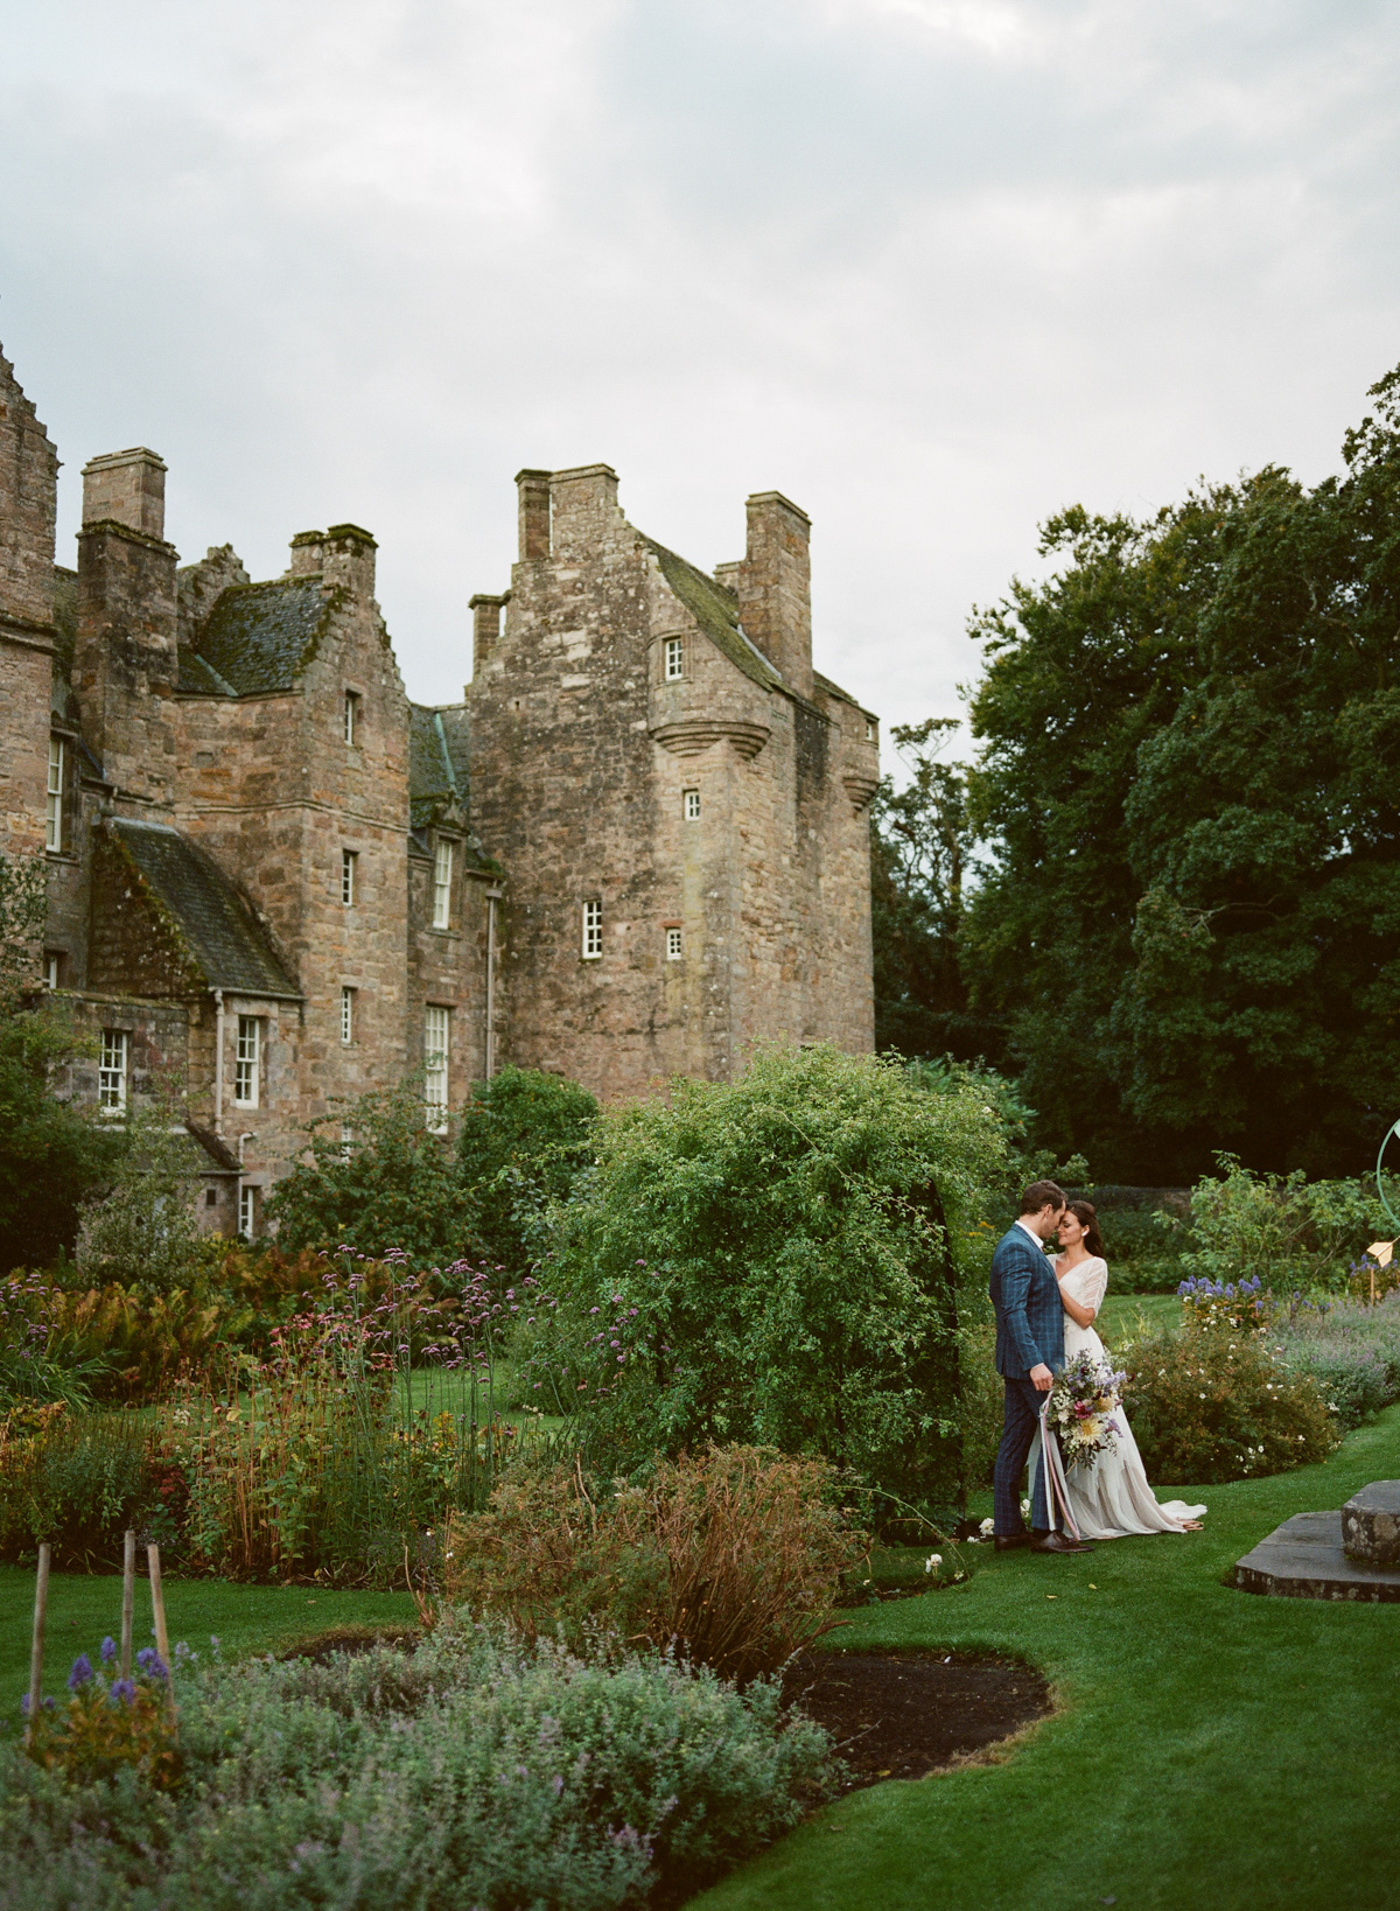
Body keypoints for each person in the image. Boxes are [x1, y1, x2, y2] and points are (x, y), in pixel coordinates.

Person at [1051, 1199, 1206, 1538]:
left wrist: (1056, 1288)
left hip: (1082, 1352)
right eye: (1059, 1224)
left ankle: (1107, 1507)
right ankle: (1063, 1509)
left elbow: (1086, 1316)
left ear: (1085, 1230)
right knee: (1058, 1429)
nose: (1060, 1229)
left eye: (1067, 1224)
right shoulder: (1049, 1261)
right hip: (1053, 1351)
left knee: (1096, 1427)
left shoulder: (1096, 1266)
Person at [990, 1180, 1094, 1555]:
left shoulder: (1015, 1245)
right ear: (1046, 1209)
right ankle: (1045, 1530)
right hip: (1031, 1366)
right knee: (1057, 1439)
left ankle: (1007, 1530)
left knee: (1015, 1443)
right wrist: (1036, 1362)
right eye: (1058, 1216)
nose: (1057, 1226)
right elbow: (1013, 1310)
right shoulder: (1019, 1249)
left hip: (1018, 1365)